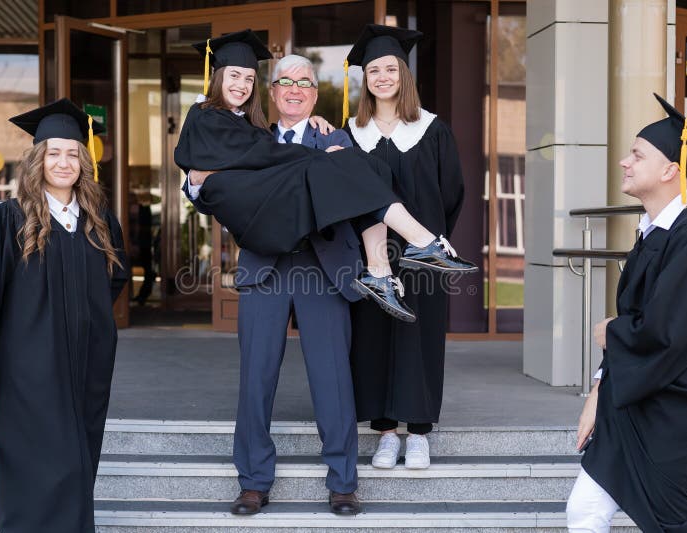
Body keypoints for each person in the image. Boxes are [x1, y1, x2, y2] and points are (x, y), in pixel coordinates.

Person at [174, 29, 476, 324]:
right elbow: (258, 156)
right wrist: (318, 155)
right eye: (234, 75)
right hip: (262, 229)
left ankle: (382, 268)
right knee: (349, 163)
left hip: (307, 249)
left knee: (370, 167)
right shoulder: (206, 116)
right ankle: (420, 243)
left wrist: (317, 143)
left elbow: (260, 152)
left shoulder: (248, 126)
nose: (242, 85)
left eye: (249, 78)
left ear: (315, 94)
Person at [0, 99, 128, 533]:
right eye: (54, 153)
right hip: (29, 367)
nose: (63, 162)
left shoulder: (98, 221)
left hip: (88, 366)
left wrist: (89, 321)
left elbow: (116, 277)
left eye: (72, 154)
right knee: (40, 465)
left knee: (79, 463)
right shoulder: (10, 219)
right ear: (38, 159)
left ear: (84, 162)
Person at [185, 53, 362, 516]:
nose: (295, 90)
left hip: (321, 269)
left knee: (332, 378)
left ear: (314, 94)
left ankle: (343, 482)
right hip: (265, 268)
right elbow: (206, 193)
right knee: (256, 378)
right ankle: (253, 481)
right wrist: (194, 181)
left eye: (304, 82)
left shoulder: (336, 139)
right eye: (286, 82)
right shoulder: (249, 140)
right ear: (273, 91)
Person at [566, 93, 687, 532]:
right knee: (585, 510)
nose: (624, 162)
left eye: (637, 154)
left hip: (677, 413)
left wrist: (613, 331)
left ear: (670, 170)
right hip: (633, 402)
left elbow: (672, 331)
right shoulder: (654, 232)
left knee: (667, 525)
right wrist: (597, 395)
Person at [343, 24, 474, 470]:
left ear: (404, 74)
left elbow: (452, 192)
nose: (382, 77)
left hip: (422, 256)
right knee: (374, 337)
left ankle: (418, 434)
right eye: (373, 70)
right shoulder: (351, 132)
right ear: (365, 79)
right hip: (372, 257)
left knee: (420, 337)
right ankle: (385, 433)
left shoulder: (432, 129)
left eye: (390, 69)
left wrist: (433, 231)